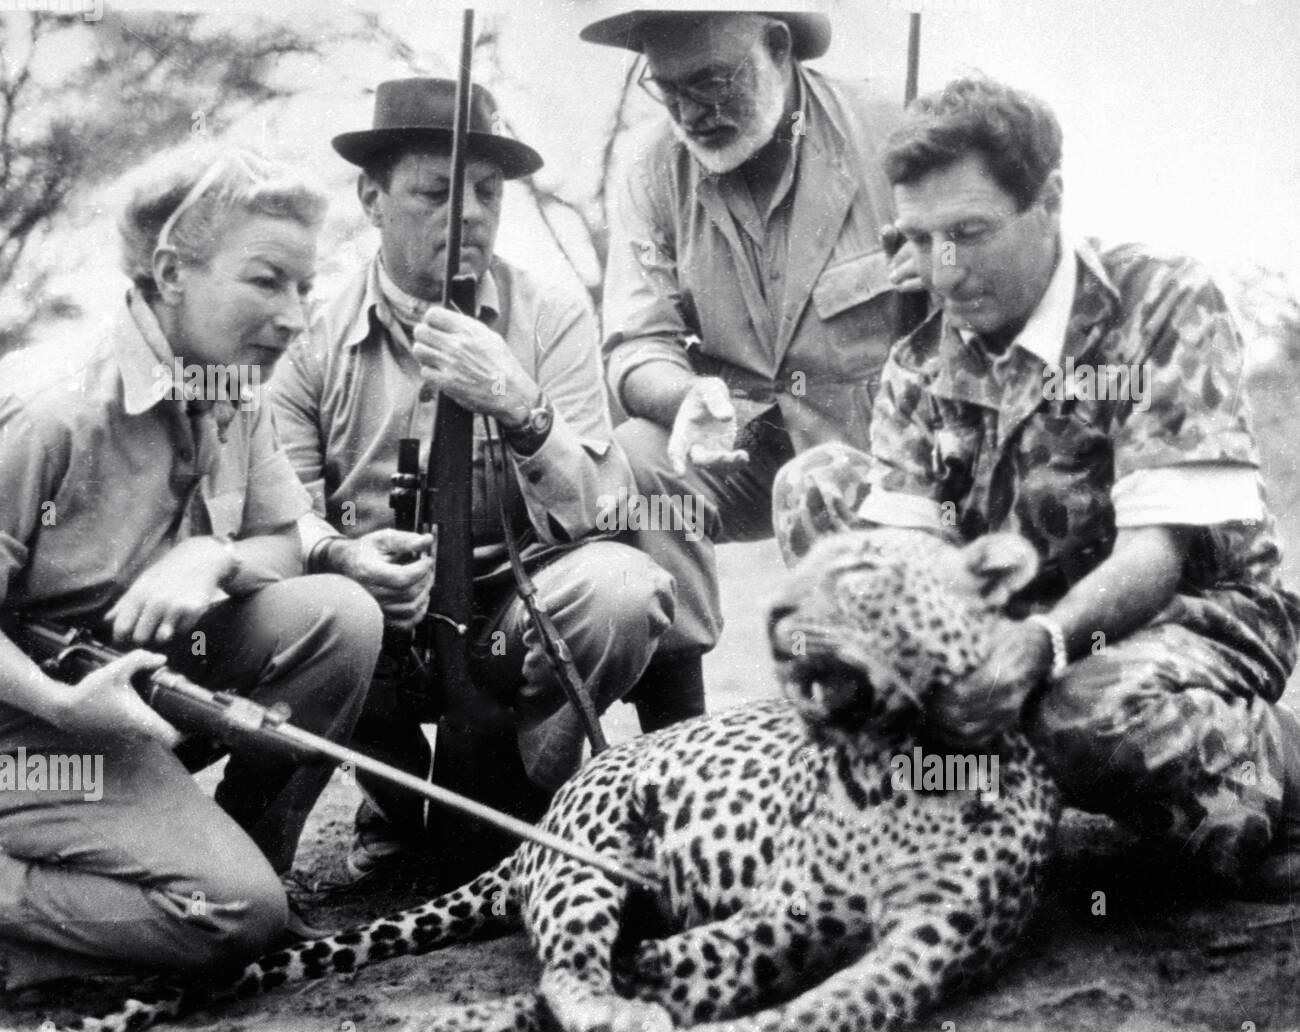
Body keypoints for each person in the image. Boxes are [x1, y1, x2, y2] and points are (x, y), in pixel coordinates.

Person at [772, 77, 1300, 898]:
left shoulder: (1159, 302)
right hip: (1023, 613)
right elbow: (910, 548)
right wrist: (908, 655)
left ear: (1048, 201)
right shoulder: (920, 358)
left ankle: (1271, 770)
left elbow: (1157, 554)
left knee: (1080, 713)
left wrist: (1040, 648)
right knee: (816, 492)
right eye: (918, 238)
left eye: (970, 233)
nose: (942, 271)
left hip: (1187, 611)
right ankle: (956, 779)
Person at [269, 78, 675, 881]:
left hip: (509, 616)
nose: (470, 215)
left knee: (625, 588)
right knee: (303, 604)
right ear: (373, 199)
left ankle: (511, 786)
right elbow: (280, 514)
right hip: (371, 618)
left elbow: (600, 512)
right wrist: (343, 559)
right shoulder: (307, 333)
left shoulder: (550, 312)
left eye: (488, 193)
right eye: (435, 192)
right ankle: (385, 795)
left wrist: (520, 405)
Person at [0, 145, 384, 991]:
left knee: (340, 614)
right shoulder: (53, 409)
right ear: (172, 272)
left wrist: (210, 553)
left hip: (121, 693)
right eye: (266, 280)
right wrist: (63, 704)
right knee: (226, 915)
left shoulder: (226, 384)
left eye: (304, 289)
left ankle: (245, 862)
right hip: (29, 724)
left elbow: (284, 539)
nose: (293, 315)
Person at [580, 8, 917, 731]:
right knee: (637, 457)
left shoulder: (897, 133)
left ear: (778, 45)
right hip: (742, 446)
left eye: (712, 81)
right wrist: (685, 395)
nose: (692, 114)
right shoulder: (648, 175)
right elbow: (636, 343)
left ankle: (905, 732)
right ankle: (677, 738)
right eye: (667, 90)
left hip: (885, 450)